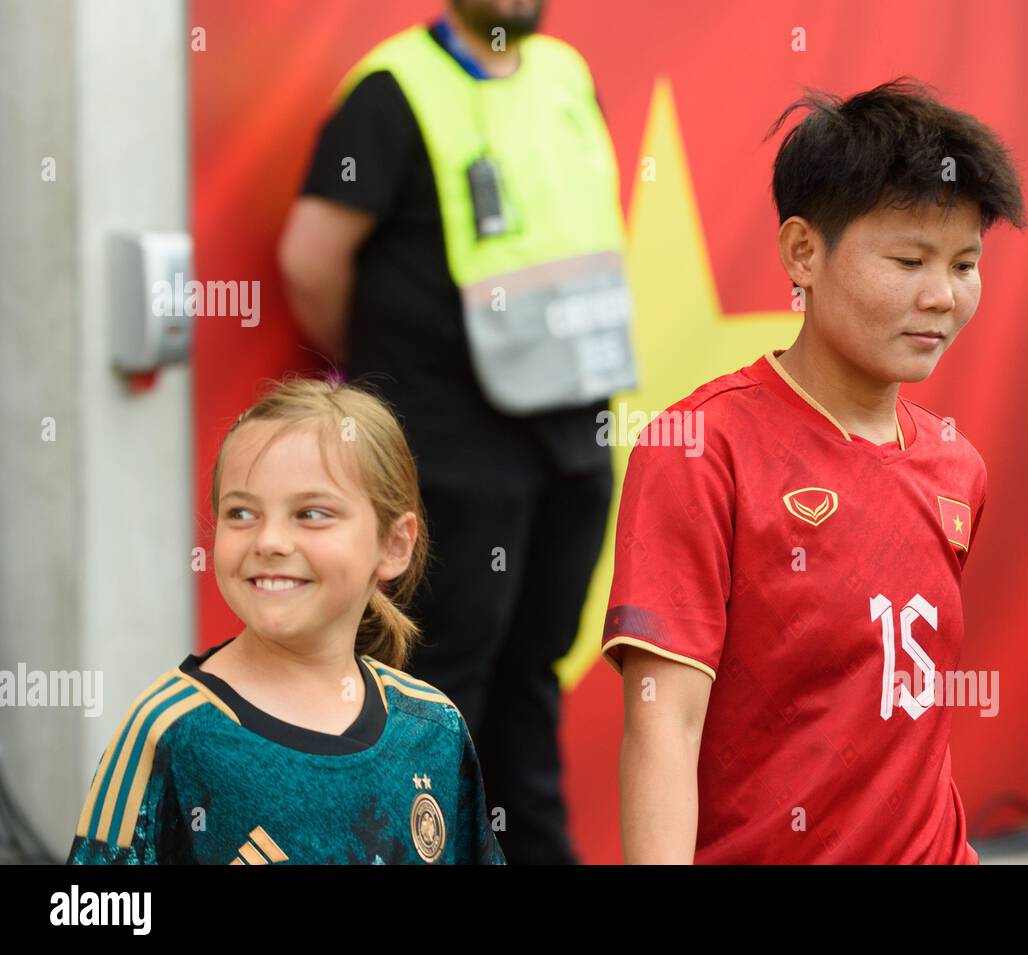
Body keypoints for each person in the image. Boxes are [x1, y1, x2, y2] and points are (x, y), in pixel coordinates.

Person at [601, 80, 1026, 864]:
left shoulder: (957, 466)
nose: (942, 296)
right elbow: (664, 726)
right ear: (802, 250)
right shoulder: (700, 450)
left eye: (965, 263)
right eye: (909, 259)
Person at [278, 0, 630, 866]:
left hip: (572, 437)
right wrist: (382, 393)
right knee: (437, 691)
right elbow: (309, 259)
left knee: (531, 678)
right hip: (450, 446)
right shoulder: (392, 91)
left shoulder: (565, 75)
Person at [68, 378, 503, 864]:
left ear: (394, 544)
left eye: (311, 513)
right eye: (241, 513)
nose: (270, 541)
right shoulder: (171, 730)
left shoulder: (434, 729)